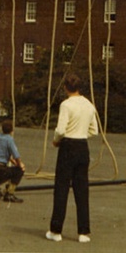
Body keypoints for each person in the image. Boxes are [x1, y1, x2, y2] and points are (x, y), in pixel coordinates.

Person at [46, 73, 99, 243]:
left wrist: (56, 141)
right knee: (82, 190)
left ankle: (56, 231)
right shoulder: (89, 105)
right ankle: (83, 232)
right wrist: (81, 134)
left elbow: (61, 130)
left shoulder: (66, 105)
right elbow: (94, 131)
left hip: (68, 146)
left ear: (65, 88)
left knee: (61, 188)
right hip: (83, 146)